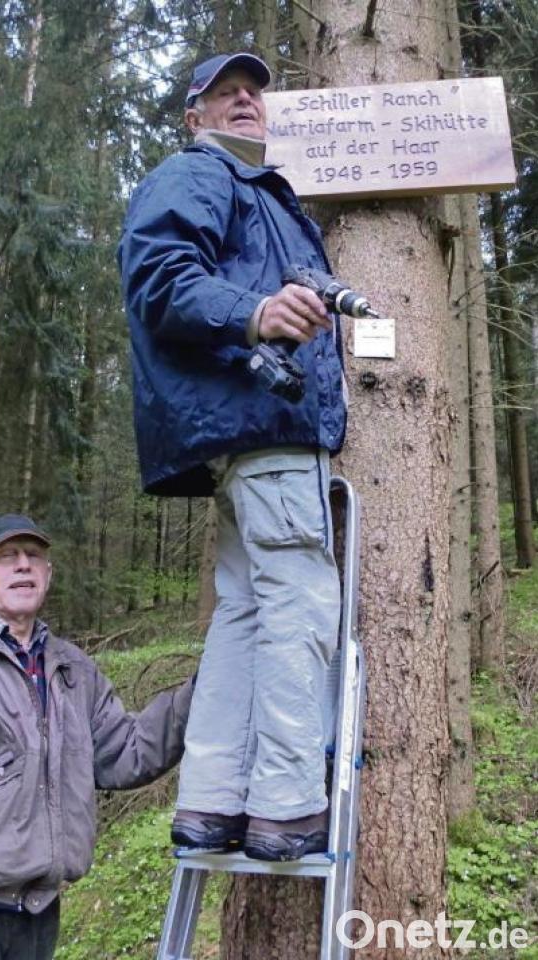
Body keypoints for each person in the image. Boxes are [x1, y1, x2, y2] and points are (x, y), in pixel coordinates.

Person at [119, 52, 346, 862]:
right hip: (265, 425)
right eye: (226, 93)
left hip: (243, 435)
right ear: (197, 116)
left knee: (246, 613)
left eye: (254, 92)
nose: (246, 100)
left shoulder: (255, 192)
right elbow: (159, 278)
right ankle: (286, 804)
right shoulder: (198, 174)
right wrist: (254, 313)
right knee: (300, 605)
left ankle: (212, 803)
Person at [0, 514, 193, 960]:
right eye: (7, 556)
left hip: (37, 916)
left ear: (48, 574)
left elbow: (127, 753)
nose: (23, 565)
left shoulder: (72, 669)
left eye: (34, 556)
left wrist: (203, 693)